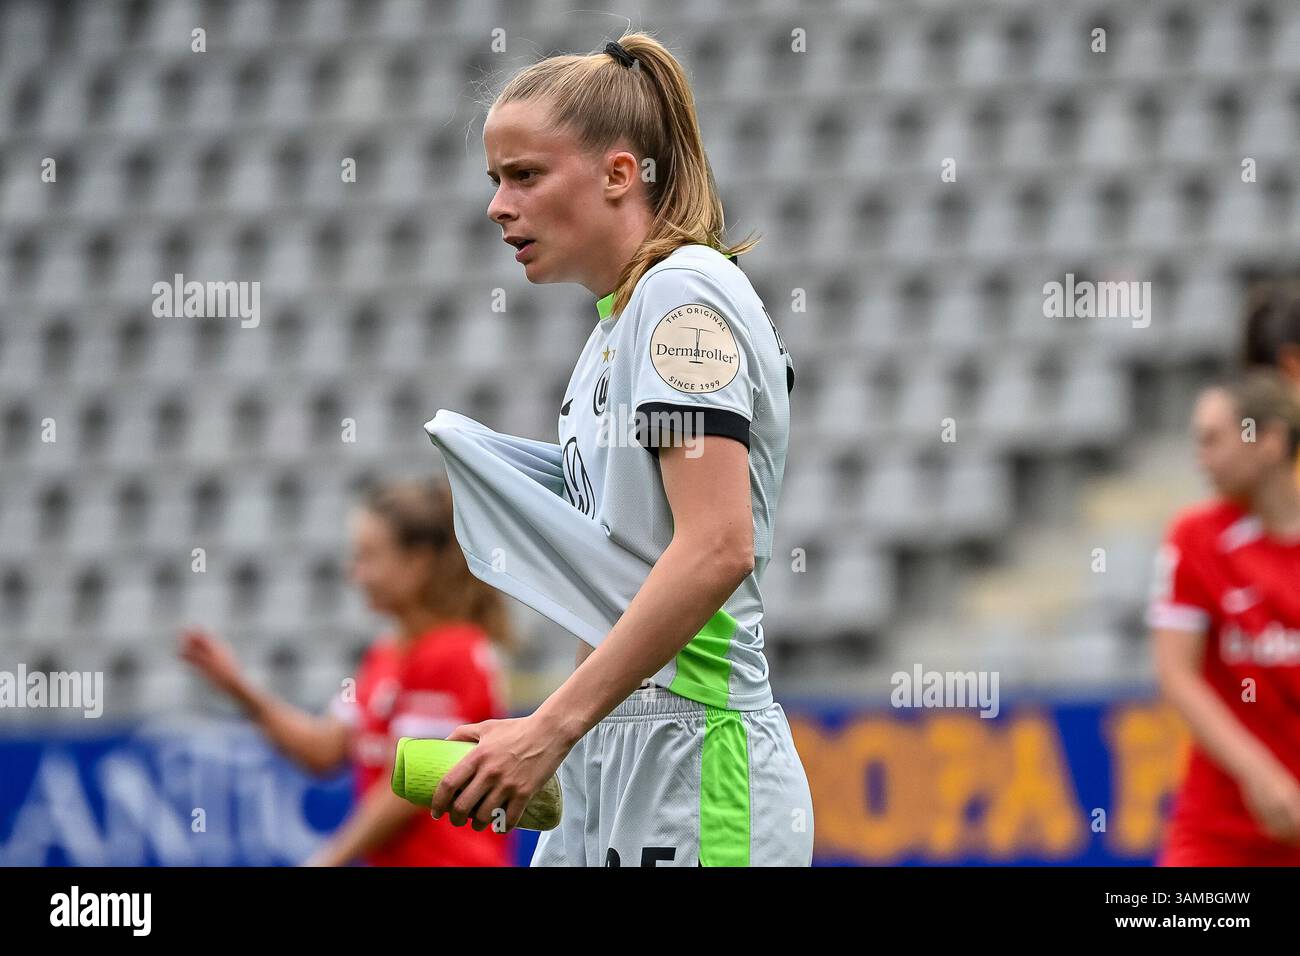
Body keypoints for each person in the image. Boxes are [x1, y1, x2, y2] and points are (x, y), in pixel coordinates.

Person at [424, 32, 814, 866]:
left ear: (618, 174)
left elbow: (716, 547)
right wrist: (554, 724)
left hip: (696, 756)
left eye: (524, 175)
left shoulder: (681, 301)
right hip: (614, 745)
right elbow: (610, 577)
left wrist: (552, 725)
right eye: (496, 180)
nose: (498, 204)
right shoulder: (614, 327)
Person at [179, 478, 512, 866]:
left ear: (417, 563)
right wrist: (238, 688)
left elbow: (409, 788)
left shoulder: (454, 652)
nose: (355, 573)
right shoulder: (384, 656)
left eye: (368, 557)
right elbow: (323, 751)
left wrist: (329, 858)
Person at [1149, 372, 1300, 865]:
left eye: (1214, 439)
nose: (1201, 458)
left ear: (1270, 441)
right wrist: (1260, 772)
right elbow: (1177, 673)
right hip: (1219, 832)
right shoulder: (1195, 540)